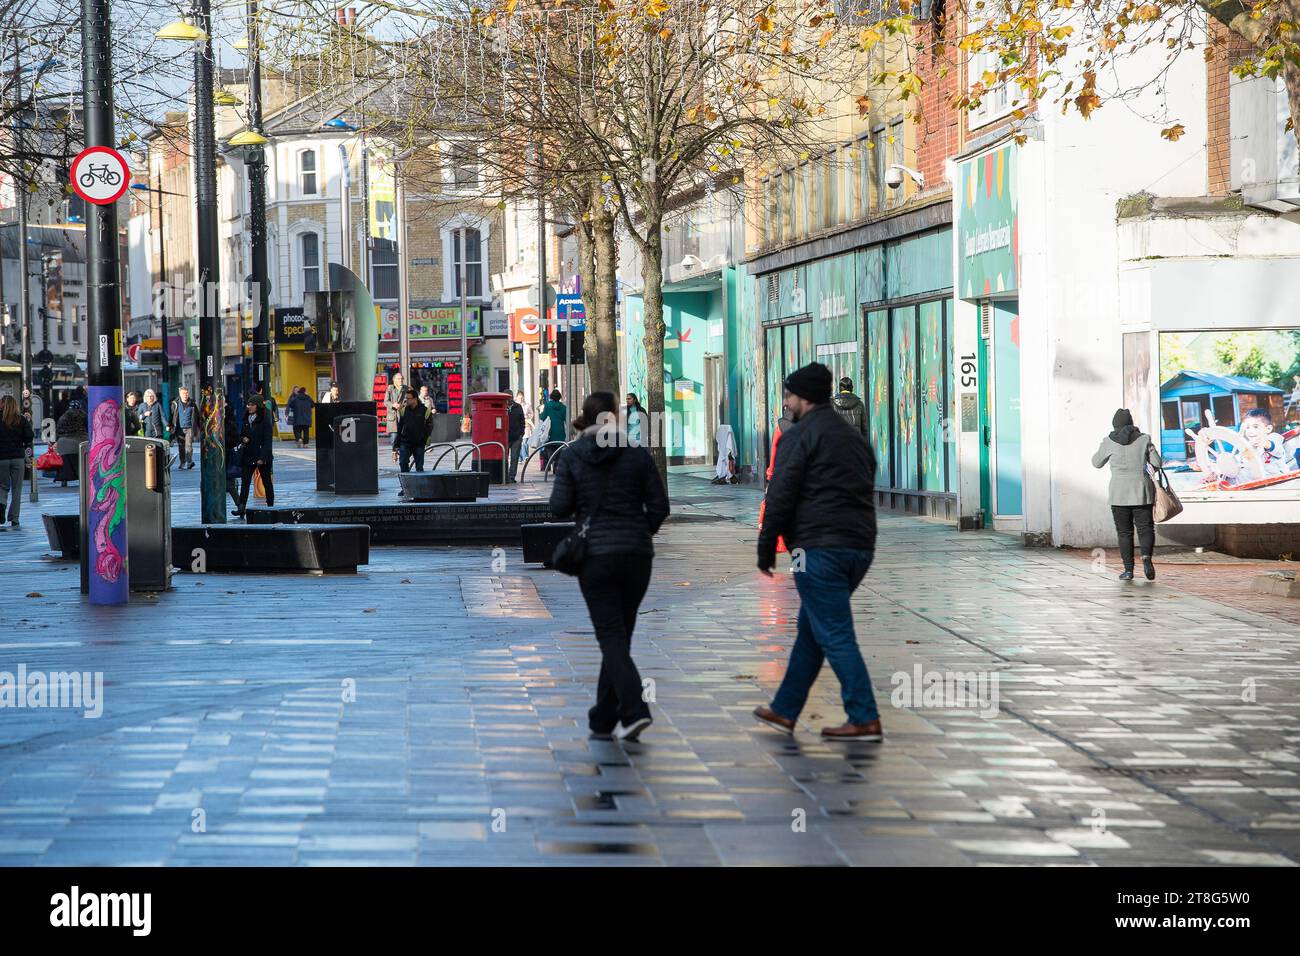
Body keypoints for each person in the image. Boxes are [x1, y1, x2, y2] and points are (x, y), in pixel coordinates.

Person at [753, 362, 882, 741]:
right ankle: (784, 709)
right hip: (859, 546)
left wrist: (766, 548)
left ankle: (864, 716)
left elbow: (780, 495)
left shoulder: (798, 437)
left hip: (816, 550)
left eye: (790, 395)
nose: (787, 402)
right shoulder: (852, 437)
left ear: (803, 398)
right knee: (812, 628)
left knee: (835, 633)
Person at [551, 392, 670, 742]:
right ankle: (603, 718)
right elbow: (660, 507)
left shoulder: (572, 455)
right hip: (637, 558)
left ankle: (634, 710)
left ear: (586, 418)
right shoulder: (637, 454)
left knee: (611, 636)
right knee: (619, 636)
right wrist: (639, 532)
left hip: (596, 558)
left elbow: (559, 507)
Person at [1092, 407, 1162, 581]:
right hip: (1141, 491)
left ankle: (1128, 570)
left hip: (1119, 493)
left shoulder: (1108, 441)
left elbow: (1096, 463)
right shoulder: (1144, 439)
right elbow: (1157, 463)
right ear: (1130, 423)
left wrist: (1105, 448)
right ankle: (1146, 559)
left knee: (1124, 532)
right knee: (1145, 528)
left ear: (1115, 424)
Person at [234, 396, 275, 517]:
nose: (249, 407)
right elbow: (240, 435)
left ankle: (271, 507)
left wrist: (262, 458)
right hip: (248, 456)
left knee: (266, 481)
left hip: (262, 457)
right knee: (245, 482)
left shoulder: (265, 421)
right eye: (248, 405)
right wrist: (243, 439)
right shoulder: (246, 420)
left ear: (257, 406)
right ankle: (241, 508)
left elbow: (268, 442)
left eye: (251, 405)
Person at [0, 395, 34, 529]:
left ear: (3, 404)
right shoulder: (21, 419)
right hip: (18, 458)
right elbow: (29, 436)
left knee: (2, 486)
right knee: (17, 489)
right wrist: (23, 443)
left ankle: (0, 511)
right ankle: (15, 519)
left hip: (1, 458)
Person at [391, 388, 432, 488]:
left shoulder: (425, 411)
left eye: (409, 399)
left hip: (419, 443)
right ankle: (406, 487)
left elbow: (429, 426)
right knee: (403, 462)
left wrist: (424, 439)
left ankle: (420, 488)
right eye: (406, 398)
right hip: (405, 442)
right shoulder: (403, 410)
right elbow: (399, 428)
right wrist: (395, 445)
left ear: (415, 399)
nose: (407, 400)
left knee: (419, 467)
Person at [54, 399, 87, 486]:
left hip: (64, 444)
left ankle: (63, 480)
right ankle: (83, 477)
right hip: (81, 442)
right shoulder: (84, 415)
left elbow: (58, 431)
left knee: (65, 461)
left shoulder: (63, 417)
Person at [537, 389, 568, 469]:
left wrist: (540, 414)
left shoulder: (547, 405)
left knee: (550, 449)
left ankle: (551, 462)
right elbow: (566, 420)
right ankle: (556, 465)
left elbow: (543, 417)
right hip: (560, 432)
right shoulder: (563, 407)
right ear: (559, 397)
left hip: (550, 432)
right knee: (559, 449)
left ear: (551, 397)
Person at [169, 386, 199, 469]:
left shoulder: (192, 404)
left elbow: (198, 416)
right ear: (180, 394)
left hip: (190, 428)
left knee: (189, 446)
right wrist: (170, 425)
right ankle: (182, 462)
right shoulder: (175, 404)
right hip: (179, 428)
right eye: (183, 393)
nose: (185, 395)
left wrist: (199, 428)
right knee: (181, 446)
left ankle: (189, 462)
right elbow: (172, 416)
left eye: (186, 393)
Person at [223, 401, 242, 511]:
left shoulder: (230, 425)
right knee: (228, 484)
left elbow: (235, 440)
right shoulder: (215, 424)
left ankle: (240, 505)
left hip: (227, 456)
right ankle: (240, 505)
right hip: (221, 457)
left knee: (229, 483)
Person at [506, 390, 526, 483]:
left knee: (514, 458)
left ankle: (511, 476)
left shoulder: (518, 407)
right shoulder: (502, 407)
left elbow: (522, 421)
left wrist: (522, 434)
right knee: (504, 458)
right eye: (507, 397)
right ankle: (504, 475)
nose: (509, 399)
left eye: (510, 396)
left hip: (516, 437)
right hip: (504, 437)